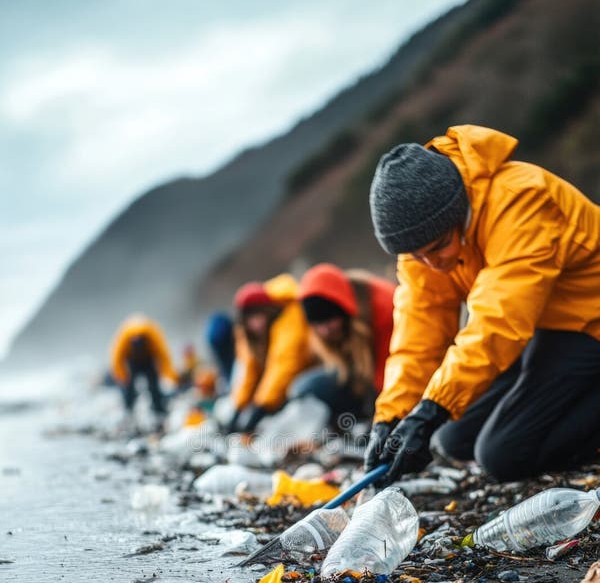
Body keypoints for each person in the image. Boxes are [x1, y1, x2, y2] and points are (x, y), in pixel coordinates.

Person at [365, 124, 600, 483]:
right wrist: (391, 416)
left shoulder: (522, 199)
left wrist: (430, 409)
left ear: (458, 212)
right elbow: (418, 335)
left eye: (438, 247)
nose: (432, 264)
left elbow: (497, 319)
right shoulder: (422, 247)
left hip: (590, 321)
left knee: (503, 455)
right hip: (542, 326)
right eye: (416, 256)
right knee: (453, 437)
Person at [295, 263, 395, 423]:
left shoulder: (385, 308)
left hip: (394, 378)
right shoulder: (335, 331)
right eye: (318, 325)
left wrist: (384, 418)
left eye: (329, 321)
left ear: (344, 310)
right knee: (304, 387)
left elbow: (392, 371)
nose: (325, 331)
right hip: (367, 376)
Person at [228, 274, 312, 434]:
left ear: (267, 311)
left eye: (258, 315)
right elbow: (249, 369)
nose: (255, 323)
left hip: (300, 379)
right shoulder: (248, 334)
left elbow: (284, 365)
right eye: (250, 318)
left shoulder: (290, 316)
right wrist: (239, 407)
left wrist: (261, 407)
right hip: (277, 389)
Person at [110, 314, 178, 425]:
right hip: (132, 360)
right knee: (129, 386)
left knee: (153, 384)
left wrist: (170, 376)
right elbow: (116, 359)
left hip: (148, 359)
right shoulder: (124, 338)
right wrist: (121, 376)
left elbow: (164, 356)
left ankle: (158, 408)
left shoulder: (153, 336)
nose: (139, 349)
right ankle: (129, 409)